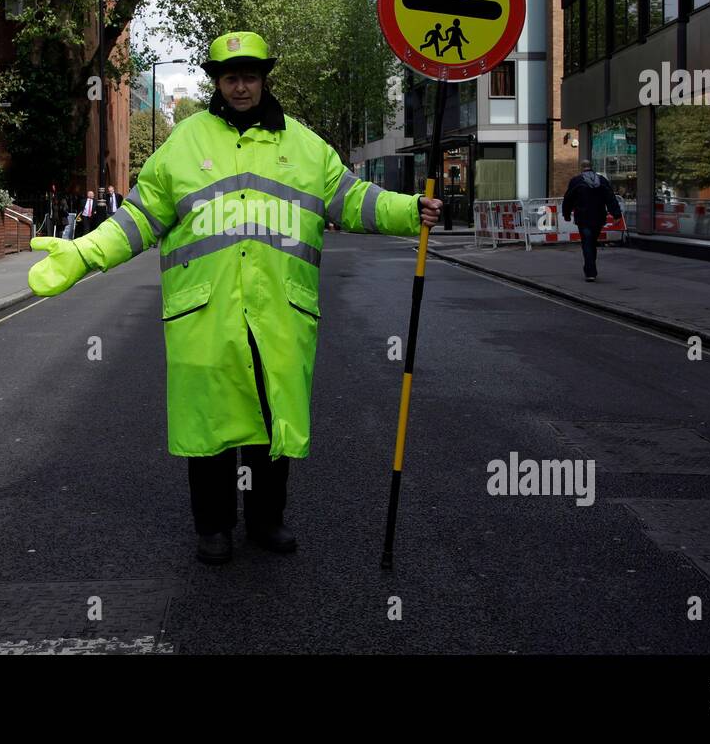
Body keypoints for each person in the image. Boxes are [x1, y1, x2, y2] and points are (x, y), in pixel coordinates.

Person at [28, 30, 443, 565]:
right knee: (211, 429)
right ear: (217, 83)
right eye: (230, 77)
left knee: (273, 425)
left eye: (249, 76)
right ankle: (214, 527)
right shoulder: (185, 143)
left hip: (280, 312)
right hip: (206, 312)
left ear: (264, 78)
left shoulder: (305, 146)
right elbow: (138, 217)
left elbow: (353, 200)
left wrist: (411, 211)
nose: (241, 86)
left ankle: (267, 521)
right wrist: (85, 254)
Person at [562, 160, 622, 283]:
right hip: (599, 217)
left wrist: (566, 214)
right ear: (591, 167)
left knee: (587, 243)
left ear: (582, 167)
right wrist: (616, 214)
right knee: (592, 242)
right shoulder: (602, 180)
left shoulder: (577, 181)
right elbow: (610, 197)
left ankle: (590, 272)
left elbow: (568, 199)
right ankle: (591, 268)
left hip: (583, 217)